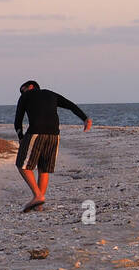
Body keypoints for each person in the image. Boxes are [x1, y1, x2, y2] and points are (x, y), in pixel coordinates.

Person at [13, 80, 92, 211]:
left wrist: (21, 137)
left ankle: (38, 196)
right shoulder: (51, 94)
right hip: (54, 135)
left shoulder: (26, 96)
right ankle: (39, 206)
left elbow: (18, 120)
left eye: (23, 89)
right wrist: (85, 118)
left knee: (22, 165)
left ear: (31, 86)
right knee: (44, 168)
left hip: (36, 132)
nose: (22, 92)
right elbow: (70, 105)